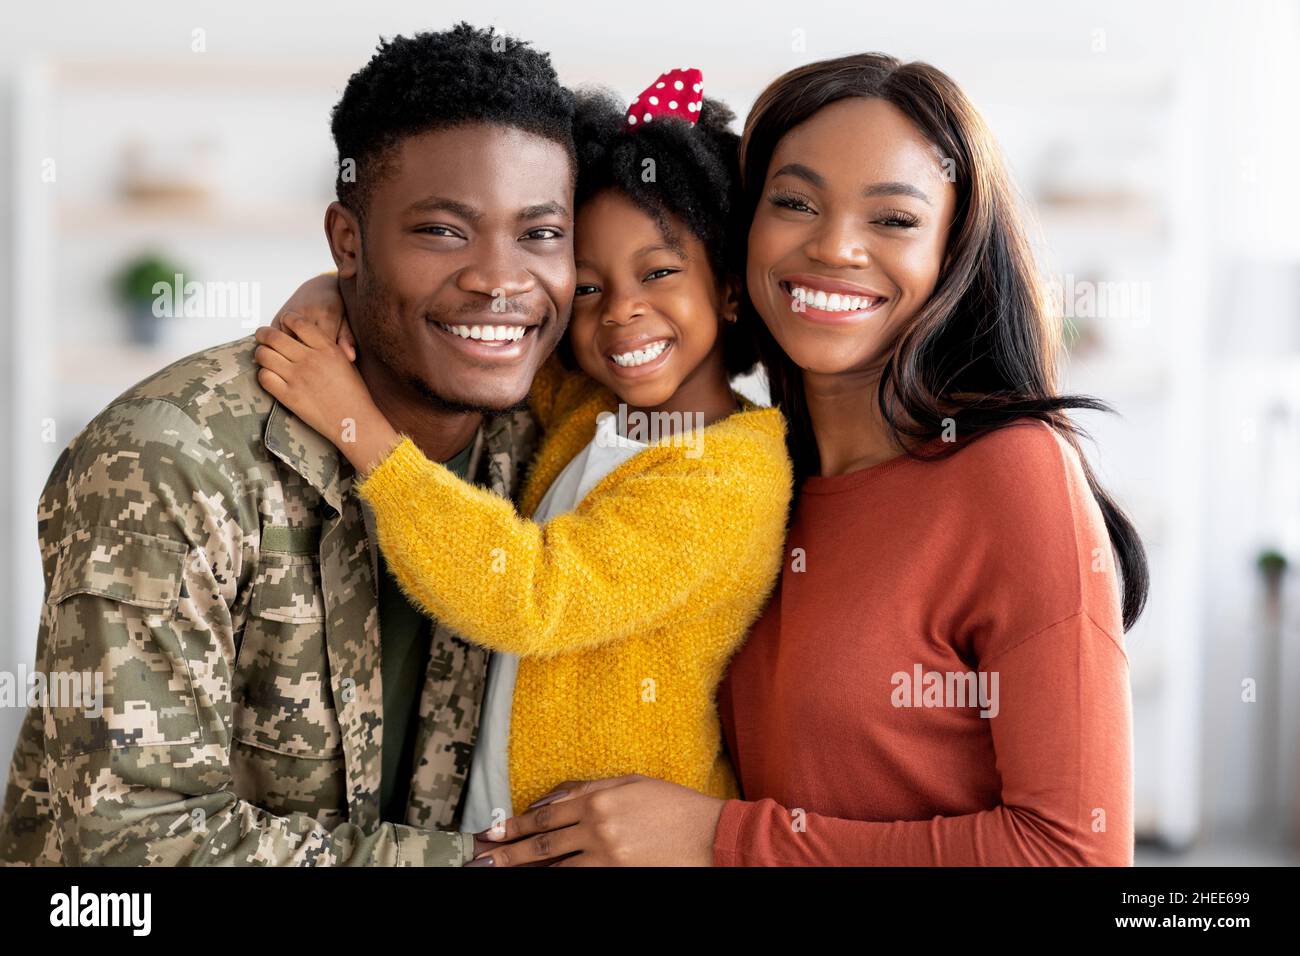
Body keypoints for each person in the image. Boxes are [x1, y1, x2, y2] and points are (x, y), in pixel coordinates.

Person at [470, 52, 1146, 867]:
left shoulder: (1010, 471)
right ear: (736, 236)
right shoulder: (741, 467)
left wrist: (721, 840)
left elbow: (1073, 854)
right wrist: (346, 294)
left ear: (952, 251)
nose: (835, 248)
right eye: (794, 203)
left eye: (892, 220)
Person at [0, 23, 575, 866]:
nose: (500, 277)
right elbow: (130, 847)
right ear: (348, 241)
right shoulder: (169, 460)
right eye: (444, 232)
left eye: (540, 234)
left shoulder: (555, 451)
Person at [253, 74, 792, 848]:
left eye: (660, 273)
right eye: (590, 287)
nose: (622, 312)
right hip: (502, 832)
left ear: (733, 292)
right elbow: (466, 331)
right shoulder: (595, 409)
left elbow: (531, 595)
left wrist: (357, 427)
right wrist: (339, 285)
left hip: (611, 851)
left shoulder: (732, 473)